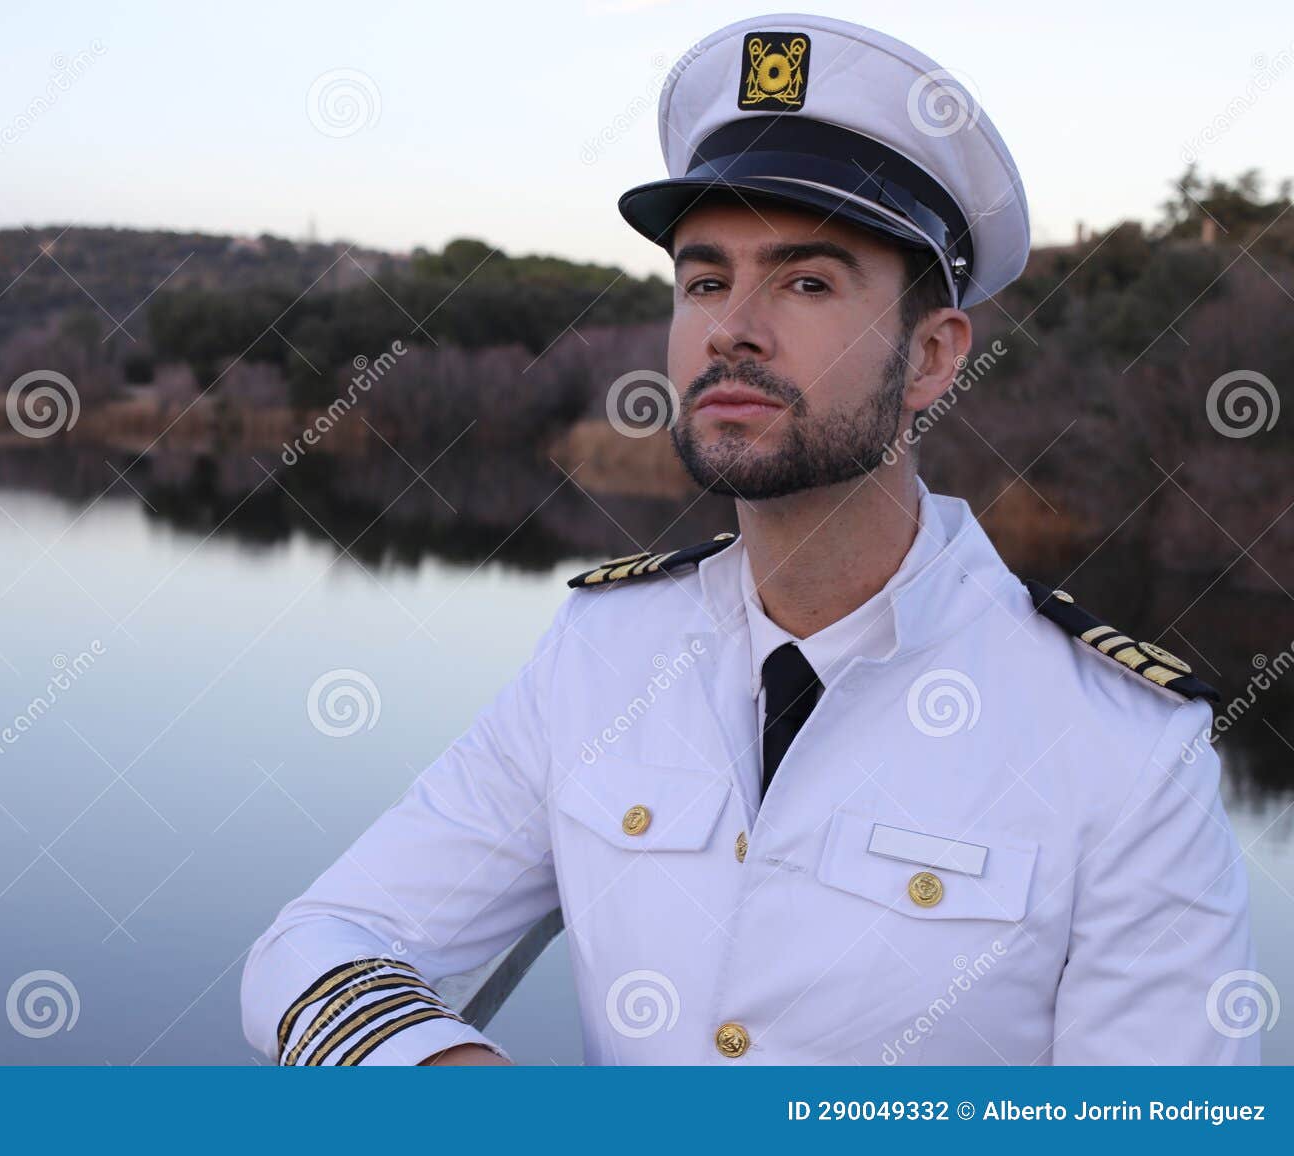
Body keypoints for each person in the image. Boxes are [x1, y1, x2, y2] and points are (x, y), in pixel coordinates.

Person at [240, 12, 1257, 1066]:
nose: (734, 325)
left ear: (931, 358)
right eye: (705, 279)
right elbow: (316, 944)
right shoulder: (600, 657)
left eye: (808, 281)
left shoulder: (1119, 746)